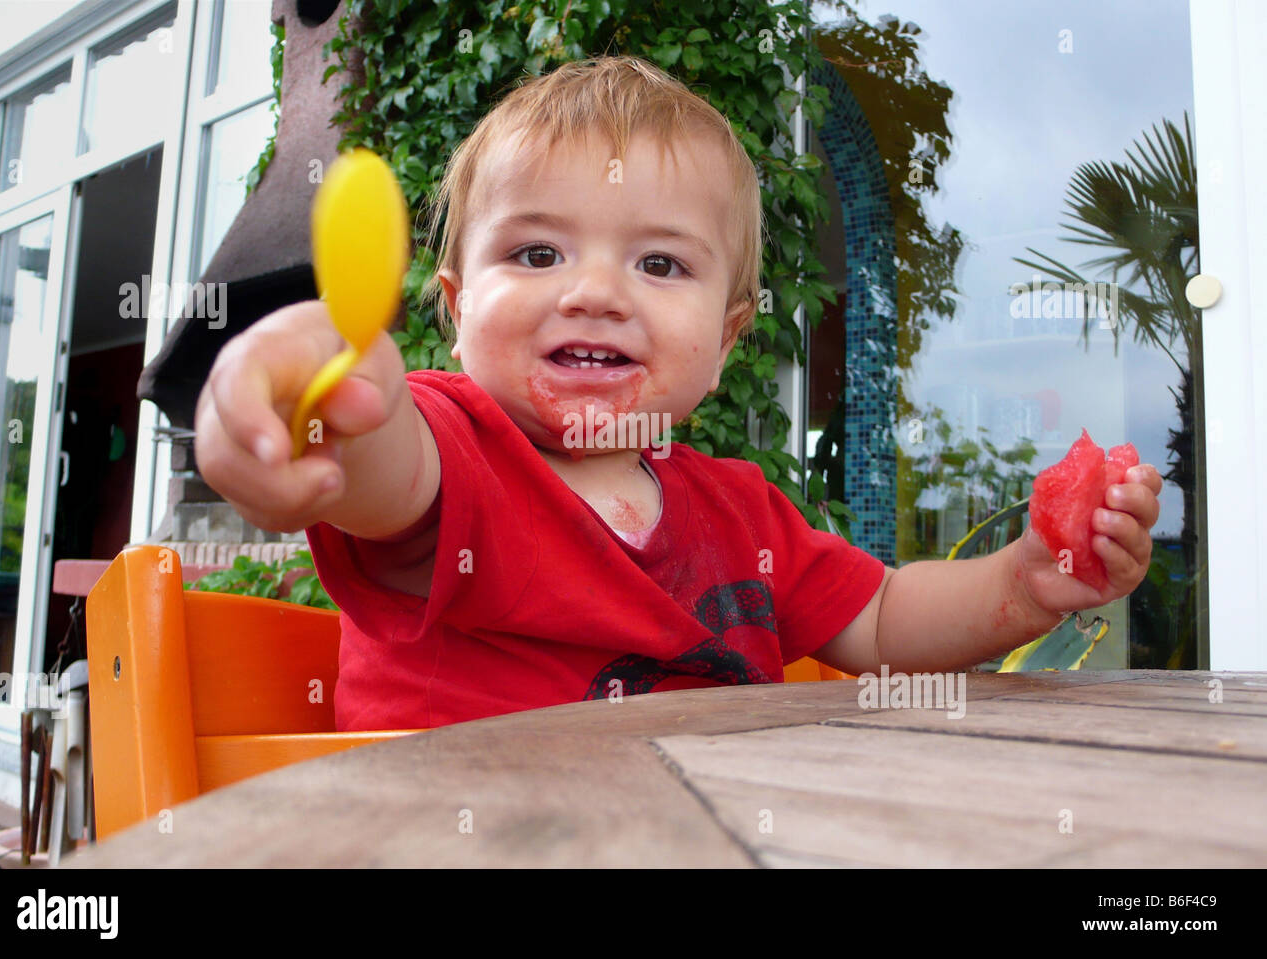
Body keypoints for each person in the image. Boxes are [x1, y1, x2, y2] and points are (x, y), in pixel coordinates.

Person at [194, 56, 1162, 732]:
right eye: (537, 251)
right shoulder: (459, 445)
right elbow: (383, 461)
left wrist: (1022, 582)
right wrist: (318, 391)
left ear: (727, 336)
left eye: (659, 262)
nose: (595, 291)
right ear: (453, 306)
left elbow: (881, 620)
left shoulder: (740, 510)